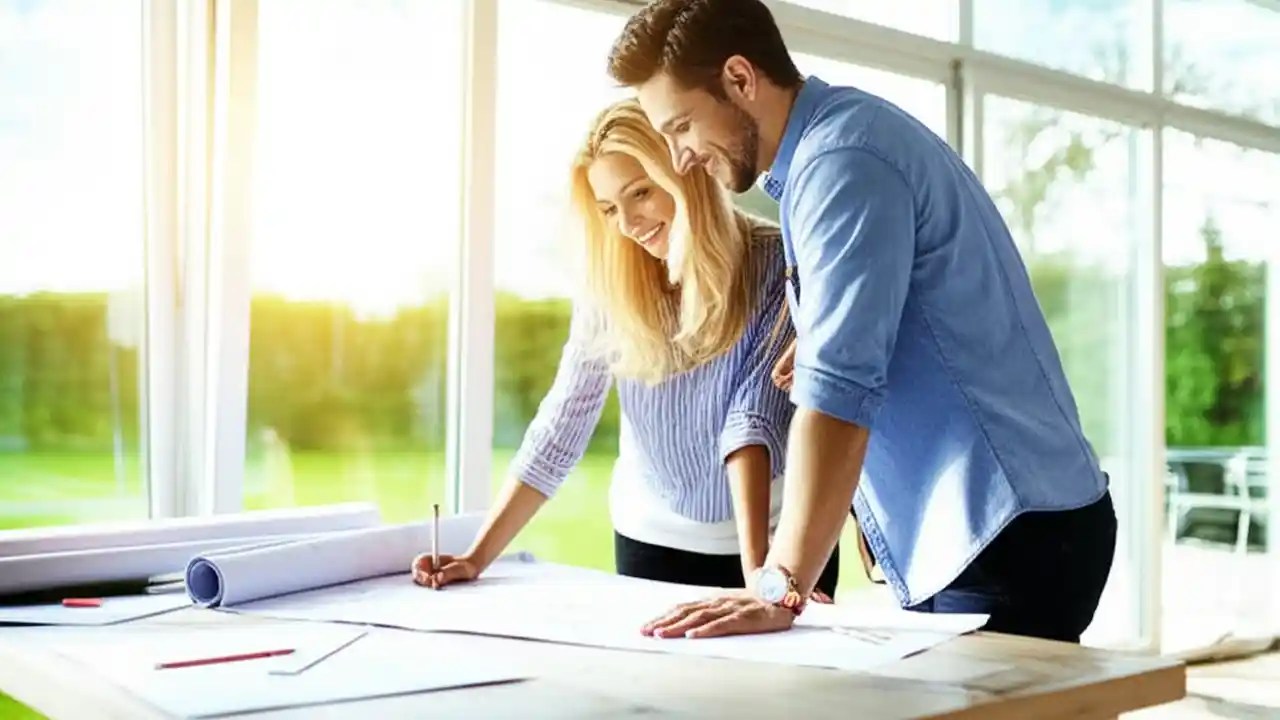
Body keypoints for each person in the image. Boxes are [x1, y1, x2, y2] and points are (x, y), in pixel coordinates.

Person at [606, 0, 1118, 643]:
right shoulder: (838, 144)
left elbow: (838, 390)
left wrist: (779, 583)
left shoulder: (841, 163)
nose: (680, 158)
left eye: (681, 127)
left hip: (1007, 532)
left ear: (740, 79)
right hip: (1011, 525)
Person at [411, 98, 841, 599]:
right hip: (652, 536)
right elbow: (563, 422)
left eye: (640, 193)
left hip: (777, 541)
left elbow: (753, 418)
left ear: (686, 172)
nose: (629, 224)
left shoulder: (776, 261)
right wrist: (475, 556)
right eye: (610, 209)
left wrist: (758, 576)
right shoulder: (610, 283)